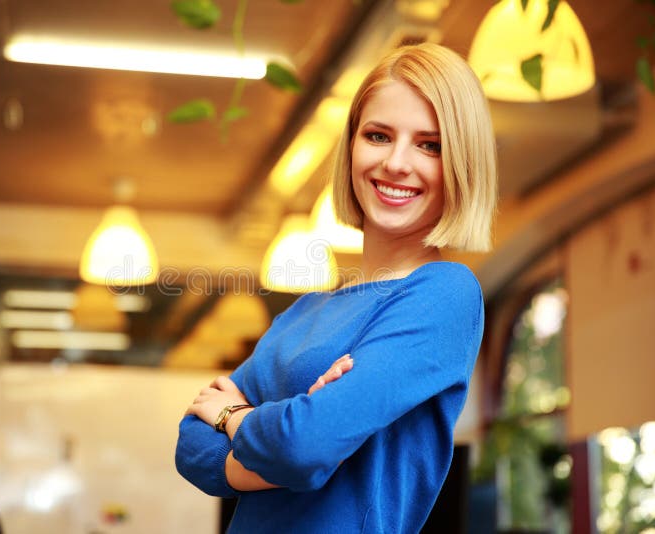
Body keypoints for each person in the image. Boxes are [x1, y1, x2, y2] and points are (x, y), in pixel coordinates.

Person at [175, 42, 497, 533]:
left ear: (461, 162)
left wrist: (240, 419)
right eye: (378, 135)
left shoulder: (444, 293)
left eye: (429, 144)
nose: (396, 163)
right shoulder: (304, 313)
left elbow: (305, 445)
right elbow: (192, 444)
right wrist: (291, 442)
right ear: (351, 146)